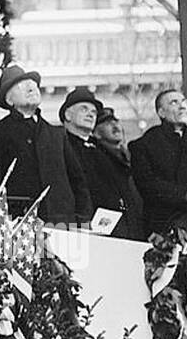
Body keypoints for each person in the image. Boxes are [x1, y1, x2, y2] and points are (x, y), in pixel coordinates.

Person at [0, 65, 93, 226]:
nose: (30, 87)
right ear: (9, 100)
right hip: (19, 228)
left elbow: (78, 182)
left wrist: (81, 219)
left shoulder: (57, 134)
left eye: (33, 83)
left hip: (63, 227)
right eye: (21, 85)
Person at [129, 88, 187, 244]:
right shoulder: (144, 145)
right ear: (161, 113)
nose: (182, 107)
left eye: (184, 103)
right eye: (174, 102)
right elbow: (147, 184)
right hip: (162, 227)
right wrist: (186, 194)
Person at [59, 90, 144, 239]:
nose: (91, 114)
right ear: (67, 115)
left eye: (93, 111)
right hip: (86, 231)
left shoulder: (102, 149)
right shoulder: (60, 145)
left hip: (122, 229)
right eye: (83, 109)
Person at [91, 107, 147, 239]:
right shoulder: (98, 160)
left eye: (116, 122)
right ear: (96, 133)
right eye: (107, 123)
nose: (115, 126)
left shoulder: (130, 157)